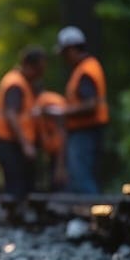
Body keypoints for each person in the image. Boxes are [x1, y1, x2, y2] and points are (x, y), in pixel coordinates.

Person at [44, 27, 109, 194]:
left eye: (64, 53)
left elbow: (91, 104)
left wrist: (62, 112)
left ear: (72, 49)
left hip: (85, 131)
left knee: (81, 177)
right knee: (81, 175)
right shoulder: (85, 68)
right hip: (85, 131)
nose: (64, 58)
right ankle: (88, 208)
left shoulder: (86, 71)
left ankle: (90, 209)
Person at [0, 47, 46, 199]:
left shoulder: (21, 83)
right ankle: (16, 212)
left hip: (12, 142)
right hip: (9, 142)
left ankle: (20, 211)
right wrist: (26, 144)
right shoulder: (15, 84)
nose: (40, 75)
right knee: (16, 186)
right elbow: (11, 114)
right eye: (38, 70)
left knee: (23, 185)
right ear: (29, 66)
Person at [34, 90, 67, 190]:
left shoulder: (45, 103)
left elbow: (62, 134)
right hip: (54, 154)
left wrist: (60, 167)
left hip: (61, 155)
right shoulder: (41, 106)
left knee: (61, 183)